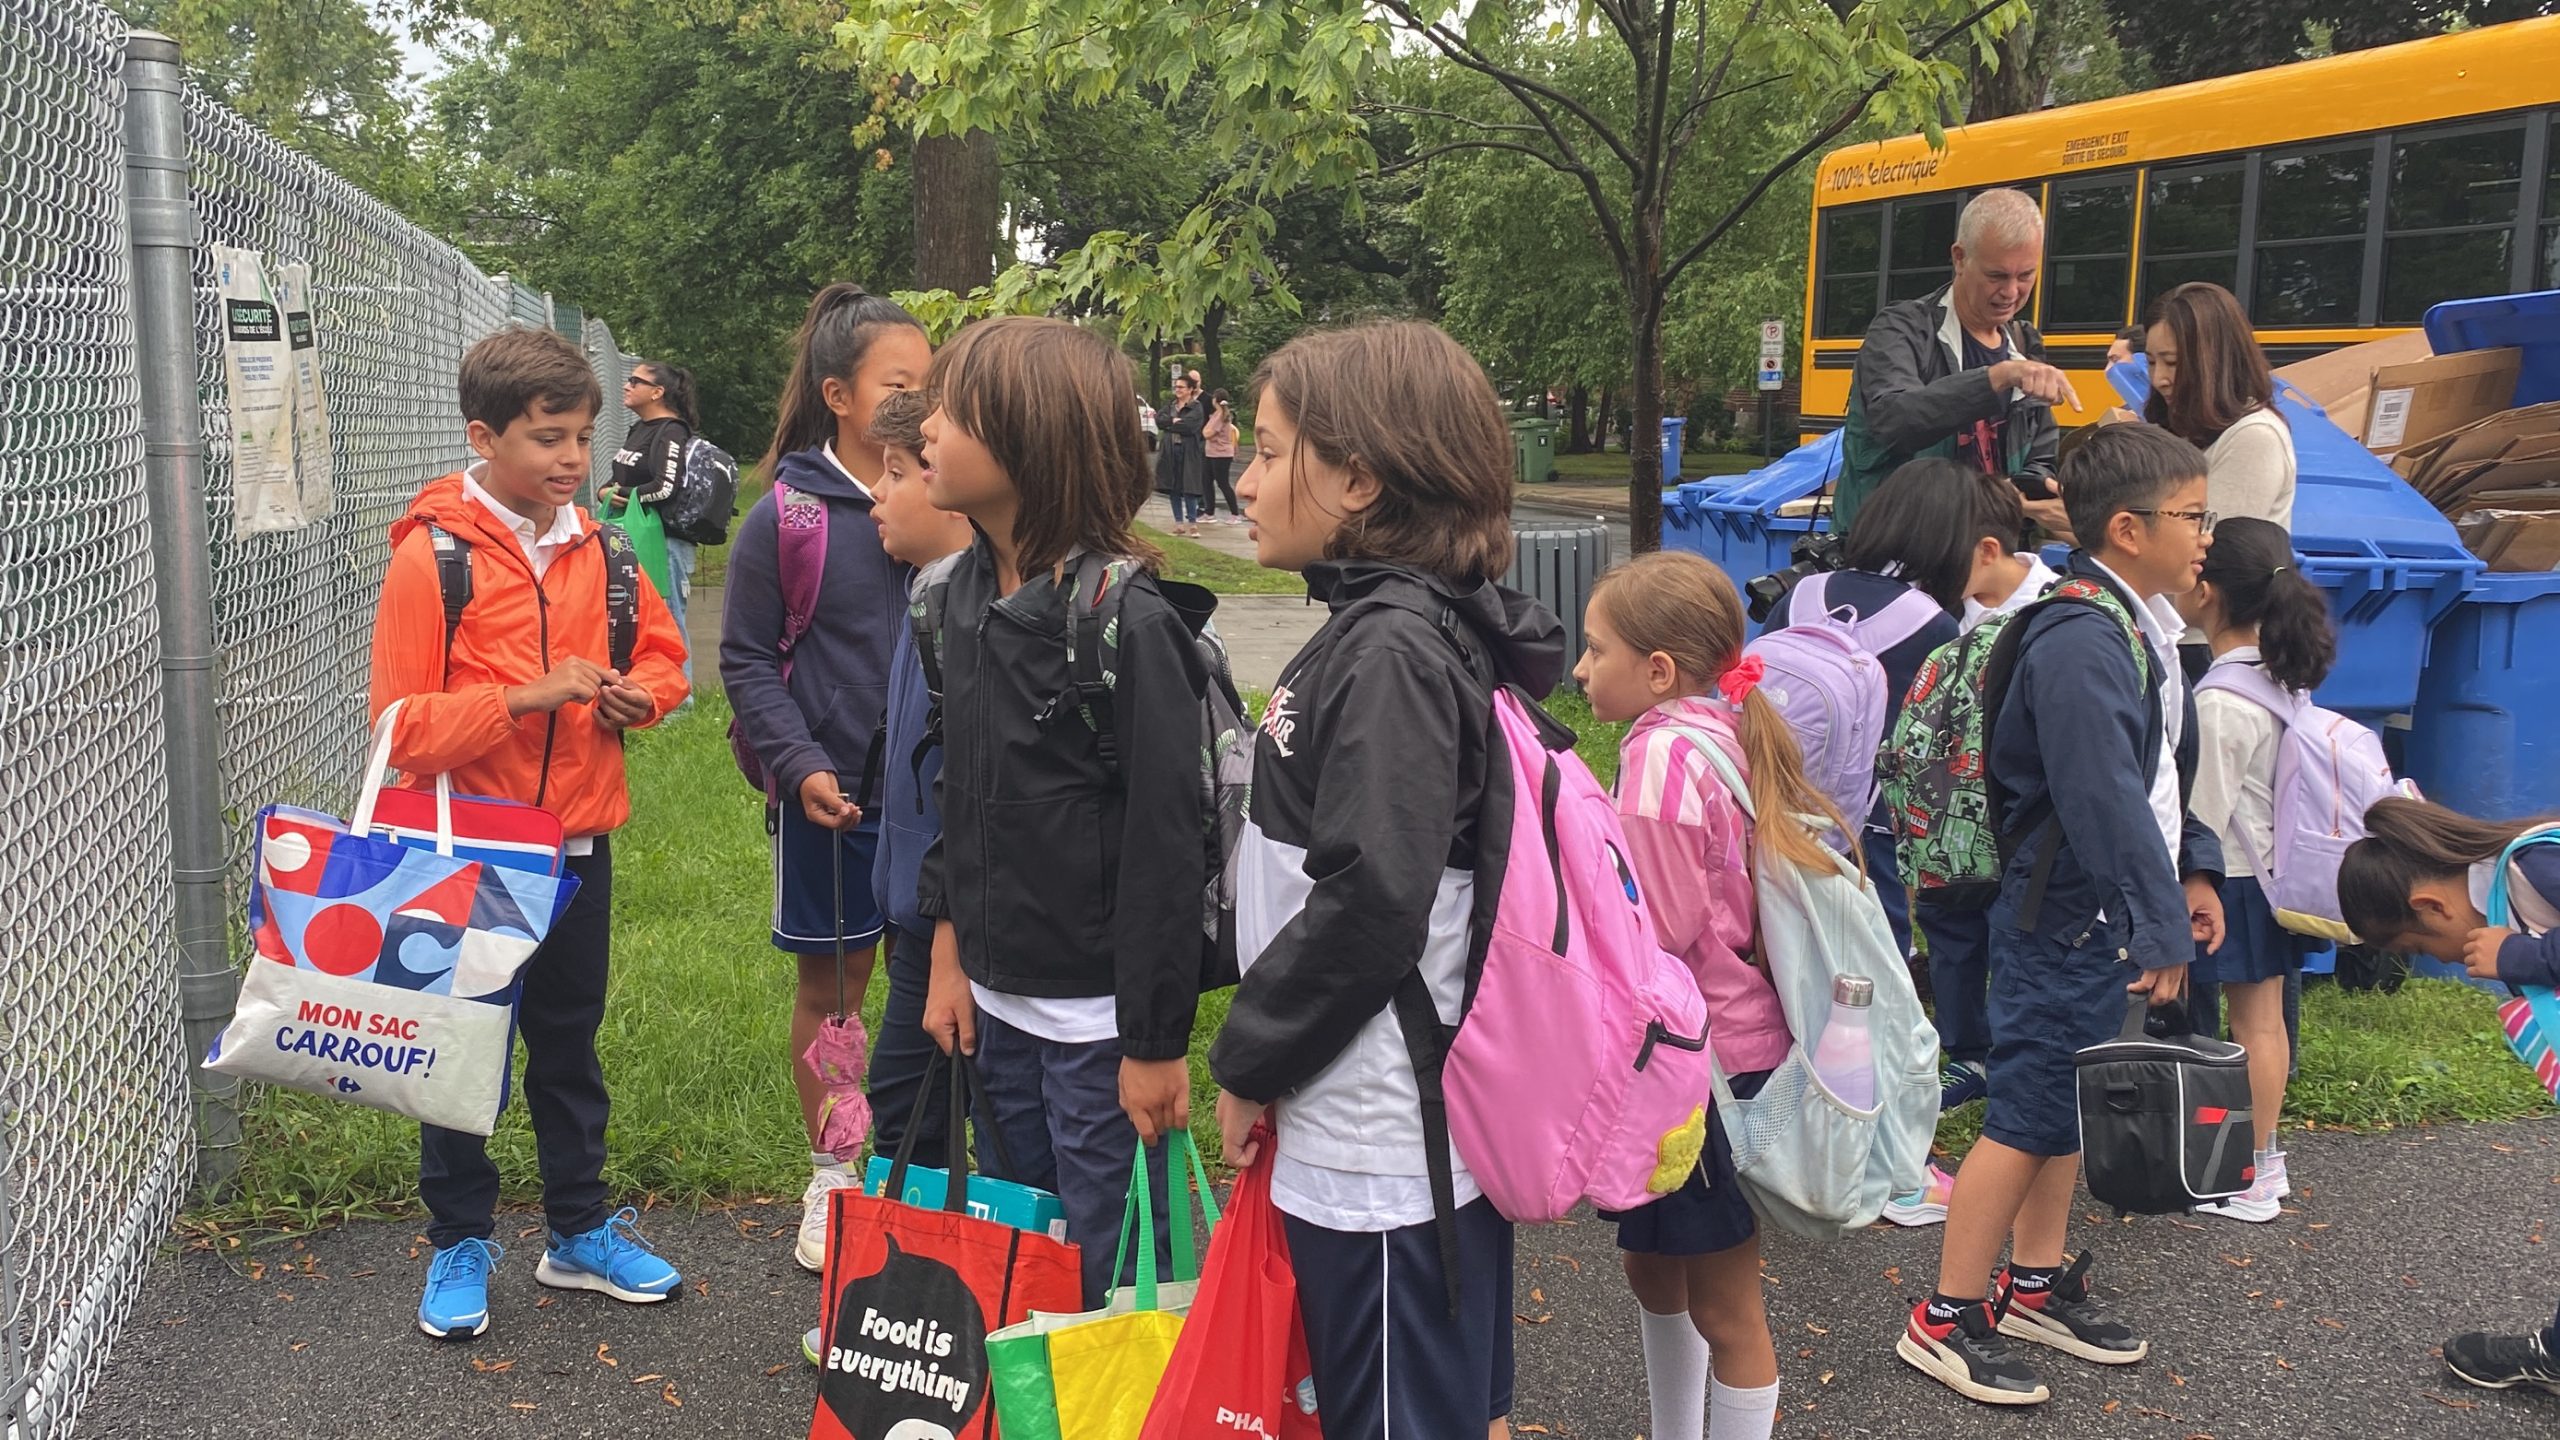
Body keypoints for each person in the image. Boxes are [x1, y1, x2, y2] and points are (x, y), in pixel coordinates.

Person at [1210, 320, 1558, 1440]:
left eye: (1268, 452)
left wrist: (1248, 1060)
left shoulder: (1392, 652)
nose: (1244, 477)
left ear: (1357, 478)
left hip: (1382, 1154)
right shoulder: (1380, 632)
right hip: (1367, 1126)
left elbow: (1372, 901)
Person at [370, 325, 691, 1339]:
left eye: (583, 435)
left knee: (567, 1046)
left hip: (578, 848)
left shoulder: (601, 546)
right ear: (484, 435)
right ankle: (459, 1239)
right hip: (468, 855)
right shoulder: (434, 559)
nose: (571, 458)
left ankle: (577, 1232)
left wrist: (643, 697)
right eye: (548, 436)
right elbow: (402, 726)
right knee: (460, 1053)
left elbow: (667, 663)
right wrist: (525, 697)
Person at [1897, 424, 2227, 1408]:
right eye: (2193, 515)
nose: (2207, 533)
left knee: (2065, 1103)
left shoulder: (2130, 623)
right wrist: (2155, 916)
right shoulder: (2085, 636)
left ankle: (2030, 1284)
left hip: (2093, 908)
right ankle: (1946, 1315)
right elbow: (2098, 795)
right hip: (2068, 913)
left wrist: (2192, 870)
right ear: (2128, 528)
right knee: (2028, 1108)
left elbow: (2157, 775)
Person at [916, 316, 1213, 1309]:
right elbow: (957, 793)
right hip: (993, 1015)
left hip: (1100, 1037)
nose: (925, 427)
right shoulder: (952, 598)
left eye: (951, 412)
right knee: (1032, 1267)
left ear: (1028, 442)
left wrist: (1154, 1044)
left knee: (1121, 1285)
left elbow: (1169, 850)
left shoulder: (1126, 623)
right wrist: (948, 956)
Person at [1576, 550, 1835, 1440]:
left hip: (1697, 1069)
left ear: (1656, 669)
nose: (1579, 670)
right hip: (1732, 1052)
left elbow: (1655, 930)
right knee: (1659, 1272)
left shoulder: (1655, 761)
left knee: (1726, 1309)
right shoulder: (1720, 731)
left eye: (1594, 649)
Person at [718, 282, 931, 1273]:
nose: (919, 401)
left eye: (932, 385)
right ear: (839, 395)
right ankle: (838, 1172)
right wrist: (799, 764)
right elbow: (748, 660)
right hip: (834, 806)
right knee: (840, 996)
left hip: (936, 810)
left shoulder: (955, 497)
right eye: (900, 383)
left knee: (937, 992)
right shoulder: (788, 517)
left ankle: (928, 1183)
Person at [858, 389, 1053, 1188]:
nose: (878, 490)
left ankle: (965, 1294)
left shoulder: (994, 613)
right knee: (913, 1108)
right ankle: (929, 1295)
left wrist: (950, 943)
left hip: (971, 929)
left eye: (899, 470)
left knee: (987, 1129)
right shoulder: (932, 598)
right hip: (925, 916)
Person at [2338, 797, 2560, 1394]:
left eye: (2415, 948)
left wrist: (2524, 956)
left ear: (2429, 906)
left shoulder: (2532, 869)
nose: (2439, 960)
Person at [2177, 516, 2331, 1225]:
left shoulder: (2218, 699)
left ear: (2207, 592)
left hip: (2230, 879)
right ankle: (2263, 1161)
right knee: (2263, 1024)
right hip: (2275, 874)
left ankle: (2247, 1169)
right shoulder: (2281, 683)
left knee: (2243, 1028)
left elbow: (2200, 812)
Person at [1759, 457, 1969, 953]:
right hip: (1869, 823)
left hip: (1773, 796)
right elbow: (1940, 750)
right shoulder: (1934, 625)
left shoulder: (1801, 593)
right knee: (1872, 953)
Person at [1837, 188, 2078, 539]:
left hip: (1992, 565)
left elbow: (2039, 456)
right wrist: (1996, 377)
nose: (2011, 292)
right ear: (1960, 258)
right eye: (1997, 275)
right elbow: (1895, 419)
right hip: (1900, 559)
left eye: (2025, 275)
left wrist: (2036, 492)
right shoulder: (1900, 329)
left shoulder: (2025, 345)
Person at [2142, 281, 2295, 531]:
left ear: (2216, 361)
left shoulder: (2254, 435)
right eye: (2150, 362)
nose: (2159, 379)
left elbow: (2207, 546)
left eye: (2172, 362)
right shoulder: (2184, 427)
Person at [604, 362, 699, 652]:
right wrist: (603, 491)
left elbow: (664, 487)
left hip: (664, 542)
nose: (626, 385)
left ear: (657, 392)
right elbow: (620, 476)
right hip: (634, 534)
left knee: (667, 618)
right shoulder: (639, 429)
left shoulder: (672, 431)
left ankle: (683, 695)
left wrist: (623, 493)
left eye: (635, 381)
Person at [1156, 373, 1208, 535]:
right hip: (1171, 451)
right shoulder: (1170, 406)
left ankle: (1192, 523)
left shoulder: (1196, 407)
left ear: (1190, 389)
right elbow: (1159, 420)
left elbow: (1190, 427)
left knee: (1189, 487)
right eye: (1176, 387)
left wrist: (1170, 425)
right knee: (1174, 487)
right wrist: (1172, 422)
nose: (1177, 390)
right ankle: (1178, 523)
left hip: (1188, 451)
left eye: (1181, 387)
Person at [1203, 388, 1241, 523]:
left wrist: (1206, 431)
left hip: (1221, 454)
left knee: (1222, 483)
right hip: (1211, 453)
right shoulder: (1215, 415)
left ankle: (1235, 513)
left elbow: (1208, 433)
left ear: (1215, 400)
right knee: (1206, 481)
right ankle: (1209, 512)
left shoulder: (1221, 416)